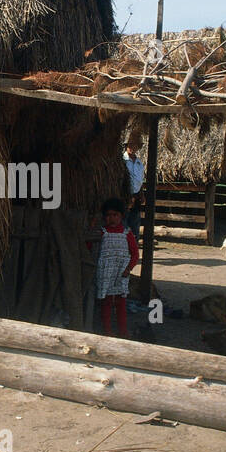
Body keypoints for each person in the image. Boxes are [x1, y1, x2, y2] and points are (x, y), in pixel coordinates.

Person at [91, 197, 139, 337]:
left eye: (115, 215)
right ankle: (107, 331)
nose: (111, 218)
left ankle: (123, 331)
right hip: (105, 273)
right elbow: (90, 247)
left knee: (121, 303)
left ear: (121, 216)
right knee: (106, 302)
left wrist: (128, 269)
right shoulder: (102, 233)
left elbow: (135, 254)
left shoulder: (127, 233)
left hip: (122, 273)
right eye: (108, 215)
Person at [123, 137, 146, 237]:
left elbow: (139, 180)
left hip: (136, 198)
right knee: (123, 226)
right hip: (124, 198)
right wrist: (128, 197)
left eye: (135, 145)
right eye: (130, 145)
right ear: (126, 146)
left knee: (135, 229)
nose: (133, 147)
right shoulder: (122, 161)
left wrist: (141, 194)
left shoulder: (139, 163)